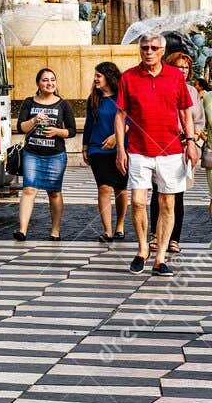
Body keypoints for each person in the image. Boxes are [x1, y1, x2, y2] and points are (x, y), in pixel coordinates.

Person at [116, 33, 198, 276]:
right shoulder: (129, 77)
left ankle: (160, 257)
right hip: (139, 150)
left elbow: (185, 112)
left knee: (167, 202)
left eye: (153, 47)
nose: (148, 51)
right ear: (140, 50)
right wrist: (121, 148)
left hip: (171, 149)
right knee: (138, 201)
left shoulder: (174, 76)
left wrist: (191, 142)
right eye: (144, 47)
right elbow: (120, 116)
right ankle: (143, 249)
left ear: (162, 51)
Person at [147, 50, 206, 258]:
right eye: (179, 67)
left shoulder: (191, 92)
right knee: (158, 193)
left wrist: (192, 138)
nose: (183, 71)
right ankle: (155, 234)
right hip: (159, 147)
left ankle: (174, 238)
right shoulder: (158, 86)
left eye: (186, 68)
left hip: (181, 150)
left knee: (177, 195)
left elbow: (199, 122)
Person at [14, 68, 75, 241]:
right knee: (28, 189)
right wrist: (34, 121)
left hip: (55, 155)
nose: (49, 83)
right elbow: (20, 127)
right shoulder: (29, 102)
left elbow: (71, 131)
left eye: (52, 80)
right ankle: (22, 230)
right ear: (38, 84)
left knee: (54, 192)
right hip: (32, 153)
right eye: (45, 80)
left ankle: (55, 230)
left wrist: (57, 131)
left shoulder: (63, 104)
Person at [82, 61, 129, 243]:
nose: (95, 79)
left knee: (120, 188)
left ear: (109, 77)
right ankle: (107, 230)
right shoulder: (93, 98)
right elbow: (88, 123)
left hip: (121, 148)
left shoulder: (122, 96)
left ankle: (120, 225)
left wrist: (116, 138)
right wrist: (85, 146)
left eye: (98, 76)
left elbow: (130, 121)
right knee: (103, 187)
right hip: (98, 149)